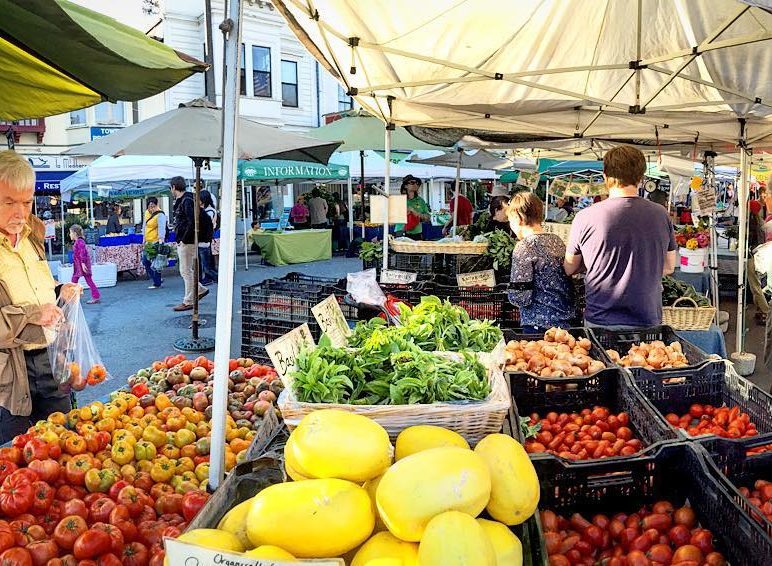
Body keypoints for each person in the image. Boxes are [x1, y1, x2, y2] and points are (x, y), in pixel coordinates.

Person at [0, 150, 79, 442]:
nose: (20, 213)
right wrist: (35, 314)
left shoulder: (32, 235)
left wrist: (59, 292)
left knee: (64, 443)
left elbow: (33, 286)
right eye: (9, 202)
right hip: (8, 372)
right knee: (14, 454)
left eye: (26, 201)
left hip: (49, 358)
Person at [564, 145, 676, 328]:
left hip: (600, 319)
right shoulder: (661, 214)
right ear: (641, 178)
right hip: (646, 318)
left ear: (605, 177)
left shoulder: (584, 217)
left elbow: (570, 267)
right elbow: (669, 266)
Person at [507, 192, 576, 332]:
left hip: (538, 325)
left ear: (518, 218)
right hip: (566, 322)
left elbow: (521, 297)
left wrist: (509, 291)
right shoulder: (556, 240)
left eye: (510, 220)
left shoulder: (525, 246)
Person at [170, 177, 208, 312]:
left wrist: (184, 239)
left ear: (174, 187)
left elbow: (192, 222)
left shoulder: (186, 200)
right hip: (187, 240)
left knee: (186, 271)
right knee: (186, 270)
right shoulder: (186, 199)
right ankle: (199, 290)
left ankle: (188, 300)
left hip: (187, 240)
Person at [70, 224, 101, 304]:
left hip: (81, 265)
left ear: (75, 233)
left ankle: (72, 297)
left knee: (80, 280)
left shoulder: (80, 242)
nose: (70, 235)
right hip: (79, 265)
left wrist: (83, 263)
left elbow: (82, 253)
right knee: (76, 280)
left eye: (70, 233)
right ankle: (72, 297)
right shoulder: (78, 241)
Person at [141, 197, 166, 289]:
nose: (151, 208)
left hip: (156, 241)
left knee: (156, 262)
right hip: (148, 242)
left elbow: (162, 228)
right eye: (150, 206)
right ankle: (157, 279)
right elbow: (144, 226)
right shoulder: (147, 213)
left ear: (157, 205)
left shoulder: (160, 214)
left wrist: (161, 241)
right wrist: (143, 239)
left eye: (153, 206)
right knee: (145, 261)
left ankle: (157, 282)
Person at [198, 190, 218, 286]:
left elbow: (205, 224)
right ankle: (208, 278)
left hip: (205, 239)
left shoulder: (209, 211)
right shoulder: (208, 210)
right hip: (205, 239)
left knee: (206, 265)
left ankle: (218, 278)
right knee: (206, 263)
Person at [400, 175, 430, 240]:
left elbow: (428, 218)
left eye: (417, 183)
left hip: (417, 234)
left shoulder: (420, 200)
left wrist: (416, 213)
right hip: (401, 232)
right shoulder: (400, 200)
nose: (415, 184)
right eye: (412, 182)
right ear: (405, 186)